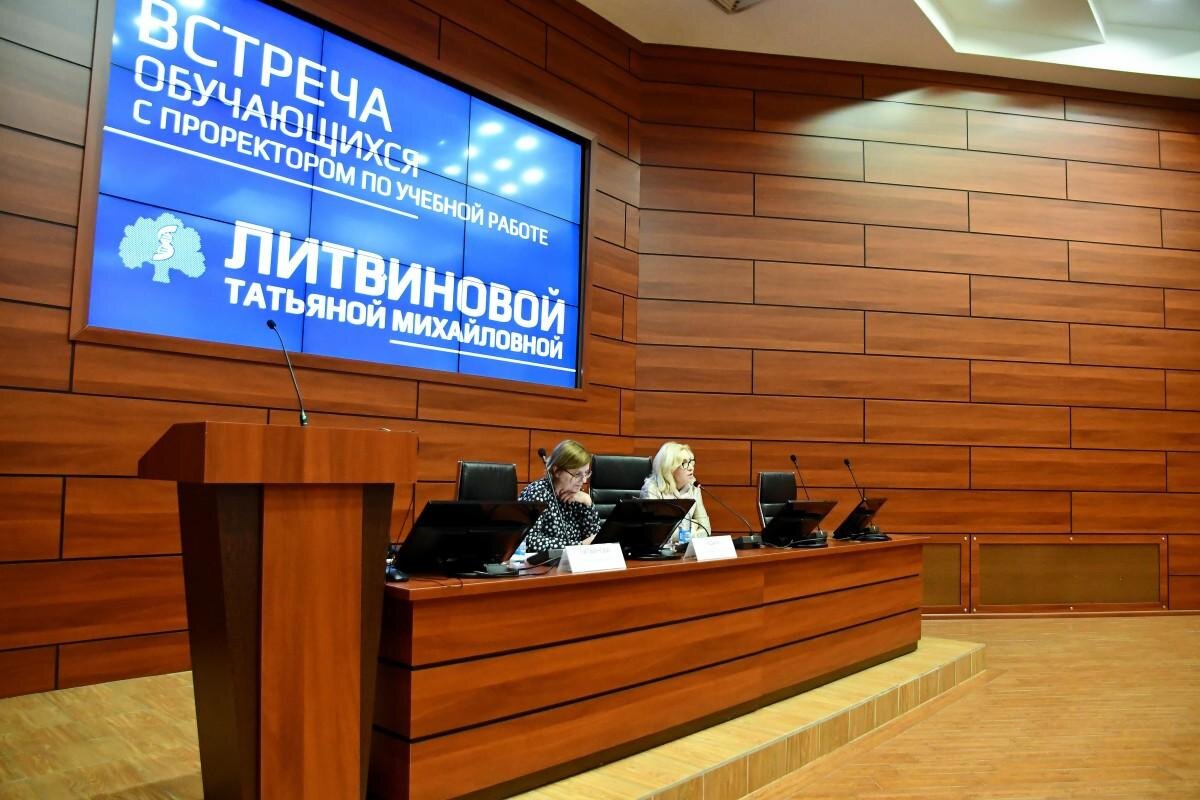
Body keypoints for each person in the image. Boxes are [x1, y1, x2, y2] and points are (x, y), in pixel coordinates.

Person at [519, 439, 602, 552]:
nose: (583, 480)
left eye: (586, 473)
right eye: (577, 474)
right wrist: (579, 545)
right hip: (543, 563)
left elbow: (596, 540)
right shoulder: (537, 493)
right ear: (557, 471)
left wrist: (588, 503)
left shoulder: (579, 496)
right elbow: (529, 541)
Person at [640, 442, 710, 544]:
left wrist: (686, 534)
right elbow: (657, 533)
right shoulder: (651, 489)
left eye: (691, 462)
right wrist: (693, 527)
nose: (691, 468)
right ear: (669, 468)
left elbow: (706, 529)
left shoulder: (694, 487)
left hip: (685, 550)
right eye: (684, 463)